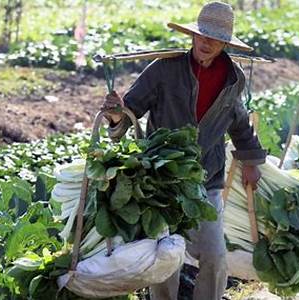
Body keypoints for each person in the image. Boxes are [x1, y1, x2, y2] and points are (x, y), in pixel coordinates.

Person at [101, 2, 267, 299]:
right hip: (161, 180)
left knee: (216, 256)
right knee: (167, 255)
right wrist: (116, 114)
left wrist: (251, 159)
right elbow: (130, 110)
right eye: (202, 35)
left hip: (208, 179)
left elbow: (239, 121)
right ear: (193, 35)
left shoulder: (233, 79)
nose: (205, 42)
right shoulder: (165, 69)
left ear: (225, 43)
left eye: (214, 38)